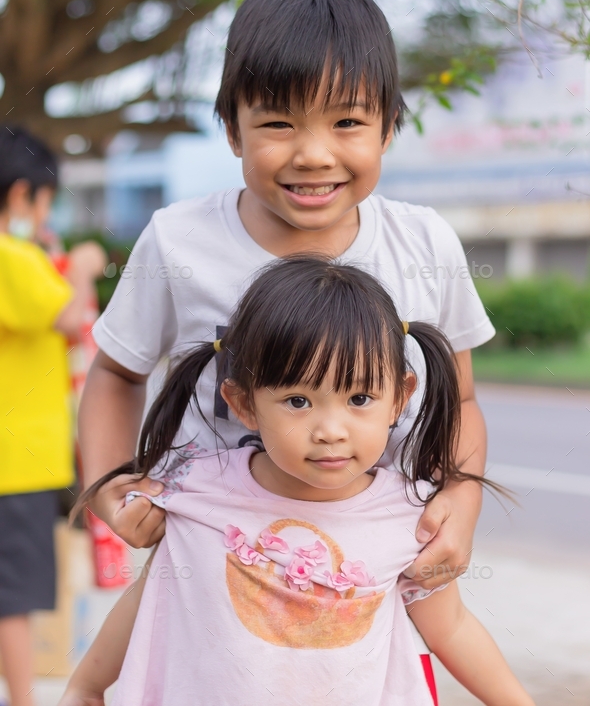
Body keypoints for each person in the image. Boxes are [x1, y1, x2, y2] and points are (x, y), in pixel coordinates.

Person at [61, 257, 533, 706]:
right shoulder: (197, 489)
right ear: (243, 403)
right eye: (298, 401)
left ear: (400, 398)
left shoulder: (408, 517)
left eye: (360, 397)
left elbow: (449, 627)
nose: (331, 429)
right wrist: (86, 685)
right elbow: (153, 596)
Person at [0, 127, 106, 706]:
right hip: (14, 461)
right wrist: (86, 264)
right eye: (46, 201)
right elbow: (67, 314)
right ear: (22, 197)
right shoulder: (12, 255)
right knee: (11, 597)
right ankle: (22, 698)